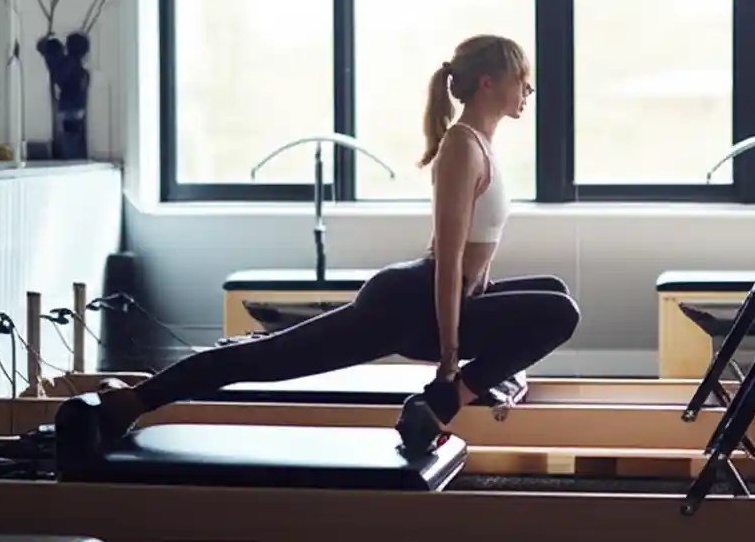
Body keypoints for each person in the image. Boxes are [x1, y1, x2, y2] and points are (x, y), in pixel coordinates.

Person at [80, 34, 580, 452]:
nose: (529, 88)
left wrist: (495, 354)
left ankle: (457, 393)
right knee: (269, 361)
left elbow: (476, 262)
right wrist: (451, 359)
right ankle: (134, 402)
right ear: (489, 82)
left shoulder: (482, 145)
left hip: (443, 300)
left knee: (552, 291)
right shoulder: (461, 147)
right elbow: (448, 262)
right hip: (412, 305)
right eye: (522, 78)